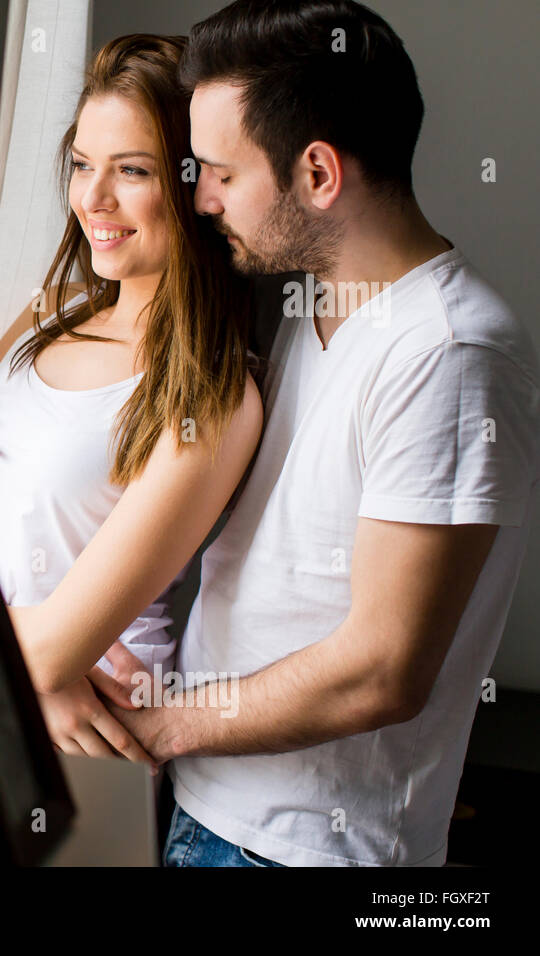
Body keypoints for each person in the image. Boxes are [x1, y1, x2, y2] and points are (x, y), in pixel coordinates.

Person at [101, 0, 540, 867]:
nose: (201, 197)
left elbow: (384, 667)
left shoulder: (450, 353)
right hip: (213, 810)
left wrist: (162, 725)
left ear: (318, 174)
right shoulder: (308, 300)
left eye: (222, 171)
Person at [0, 34, 264, 765]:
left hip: (86, 738)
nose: (94, 198)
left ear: (195, 185)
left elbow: (59, 652)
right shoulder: (47, 313)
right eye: (83, 165)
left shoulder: (213, 394)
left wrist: (45, 660)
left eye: (132, 171)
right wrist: (31, 659)